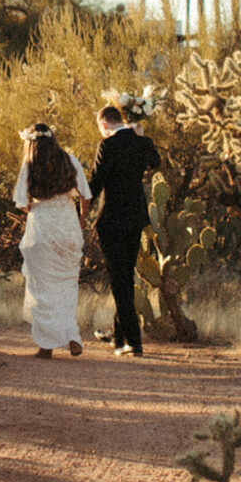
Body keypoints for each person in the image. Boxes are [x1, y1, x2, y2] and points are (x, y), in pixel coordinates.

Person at [13, 122, 92, 359]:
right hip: (67, 224)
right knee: (67, 285)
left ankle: (46, 345)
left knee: (42, 286)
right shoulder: (70, 160)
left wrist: (36, 207)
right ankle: (71, 335)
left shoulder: (30, 165)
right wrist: (82, 218)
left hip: (42, 226)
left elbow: (21, 202)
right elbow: (85, 195)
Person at [89, 105, 160, 357]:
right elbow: (156, 163)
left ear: (104, 125)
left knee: (119, 280)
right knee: (125, 276)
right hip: (135, 218)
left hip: (112, 220)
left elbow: (95, 184)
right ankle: (119, 337)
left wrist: (78, 209)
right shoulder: (142, 142)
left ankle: (133, 342)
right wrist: (143, 138)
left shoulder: (107, 146)